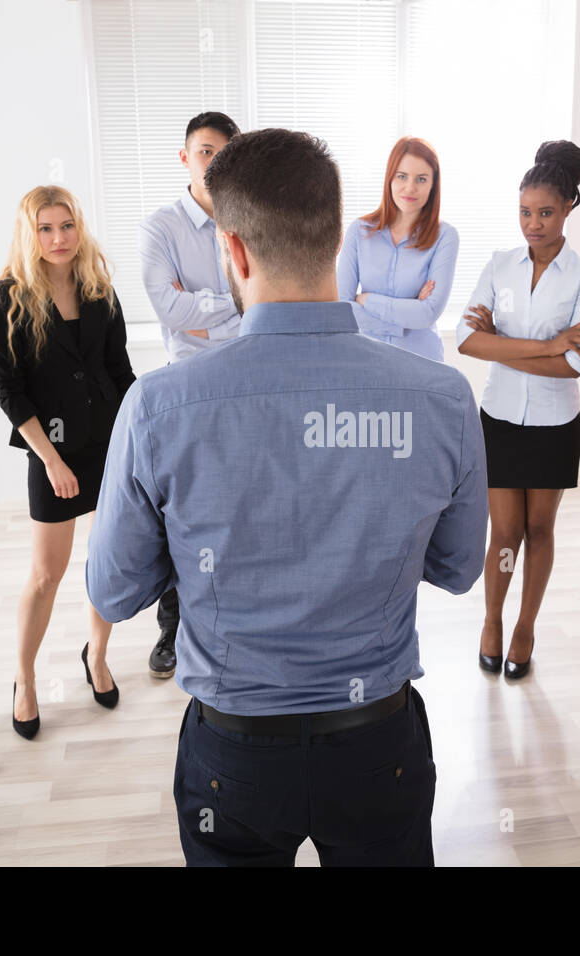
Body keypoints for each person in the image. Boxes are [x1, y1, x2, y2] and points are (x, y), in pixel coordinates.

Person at [87, 128, 489, 866]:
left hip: (233, 755)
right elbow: (461, 570)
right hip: (379, 745)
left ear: (233, 250)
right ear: (336, 241)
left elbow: (113, 594)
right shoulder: (444, 399)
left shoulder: (158, 407)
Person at [0, 185, 135, 739]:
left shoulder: (98, 289)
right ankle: (24, 679)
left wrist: (133, 442)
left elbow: (120, 373)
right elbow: (9, 390)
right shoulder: (8, 297)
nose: (58, 238)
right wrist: (49, 459)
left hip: (108, 444)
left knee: (107, 565)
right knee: (47, 575)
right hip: (53, 453)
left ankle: (96, 657)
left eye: (66, 225)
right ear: (30, 233)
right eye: (45, 228)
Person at [455, 140, 580, 679]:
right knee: (504, 534)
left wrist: (507, 343)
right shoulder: (499, 265)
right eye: (524, 212)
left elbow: (575, 365)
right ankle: (492, 620)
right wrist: (546, 345)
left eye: (545, 212)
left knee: (540, 530)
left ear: (567, 209)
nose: (533, 223)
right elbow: (467, 341)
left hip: (554, 424)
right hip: (499, 419)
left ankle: (525, 626)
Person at [136, 110, 241, 679]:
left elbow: (261, 306)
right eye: (204, 151)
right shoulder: (160, 228)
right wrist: (230, 311)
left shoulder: (248, 221)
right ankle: (172, 629)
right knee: (183, 514)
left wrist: (203, 312)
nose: (213, 163)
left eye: (223, 154)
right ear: (185, 157)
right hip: (190, 393)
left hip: (247, 384)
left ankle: (230, 619)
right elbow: (171, 311)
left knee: (236, 511)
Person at [338, 136, 459, 361]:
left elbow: (428, 313)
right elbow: (343, 309)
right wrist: (408, 312)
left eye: (421, 179)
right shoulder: (359, 231)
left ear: (433, 185)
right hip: (366, 358)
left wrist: (367, 300)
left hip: (422, 361)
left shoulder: (445, 237)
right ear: (390, 178)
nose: (410, 188)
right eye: (402, 176)